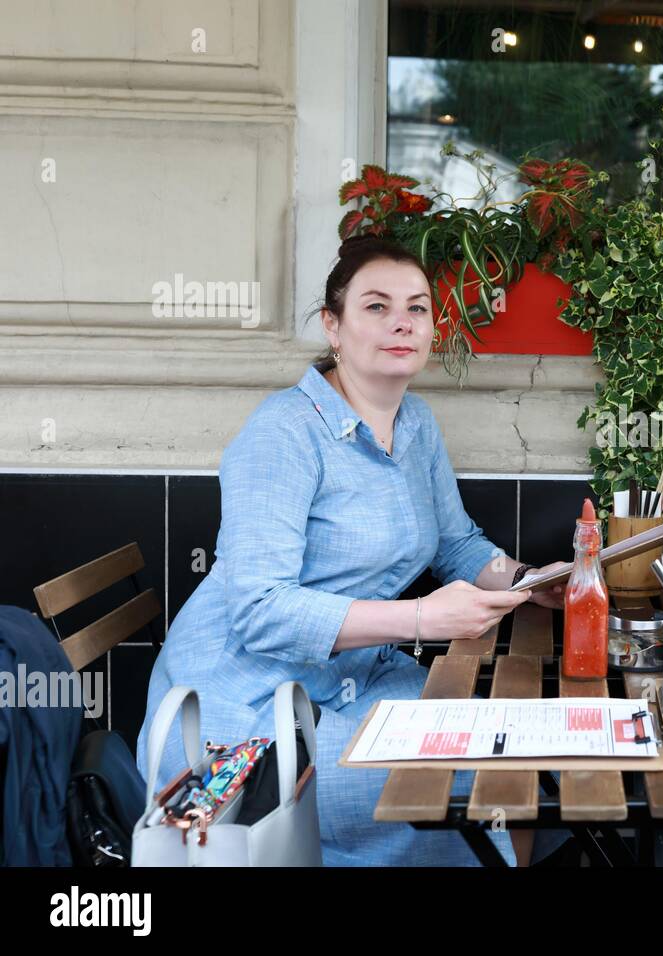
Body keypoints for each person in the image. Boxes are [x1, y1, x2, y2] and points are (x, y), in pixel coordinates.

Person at [136, 235, 568, 866]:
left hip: (350, 683)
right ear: (332, 327)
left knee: (516, 746)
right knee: (478, 778)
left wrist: (530, 580)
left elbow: (457, 543)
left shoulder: (415, 423)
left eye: (418, 308)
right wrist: (423, 620)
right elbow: (261, 610)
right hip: (248, 715)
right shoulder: (283, 432)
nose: (402, 321)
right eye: (377, 306)